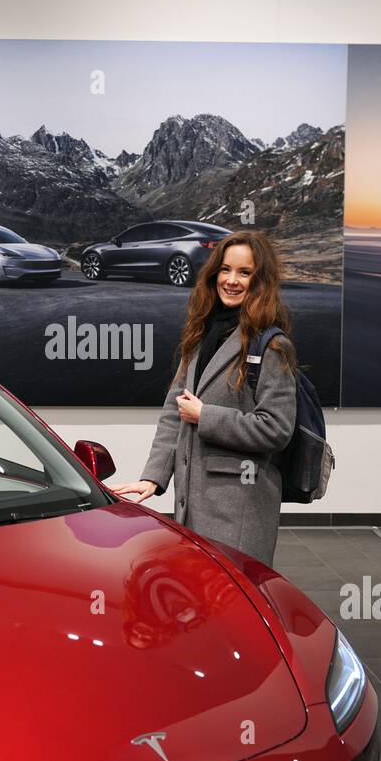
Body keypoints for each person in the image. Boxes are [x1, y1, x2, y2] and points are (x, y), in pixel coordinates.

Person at [111, 230, 299, 567]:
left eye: (244, 272)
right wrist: (154, 477)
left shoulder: (272, 346)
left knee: (235, 606)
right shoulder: (203, 332)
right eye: (225, 270)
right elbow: (175, 409)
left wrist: (206, 416)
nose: (231, 280)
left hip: (239, 510)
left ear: (261, 280)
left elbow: (276, 428)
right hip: (192, 503)